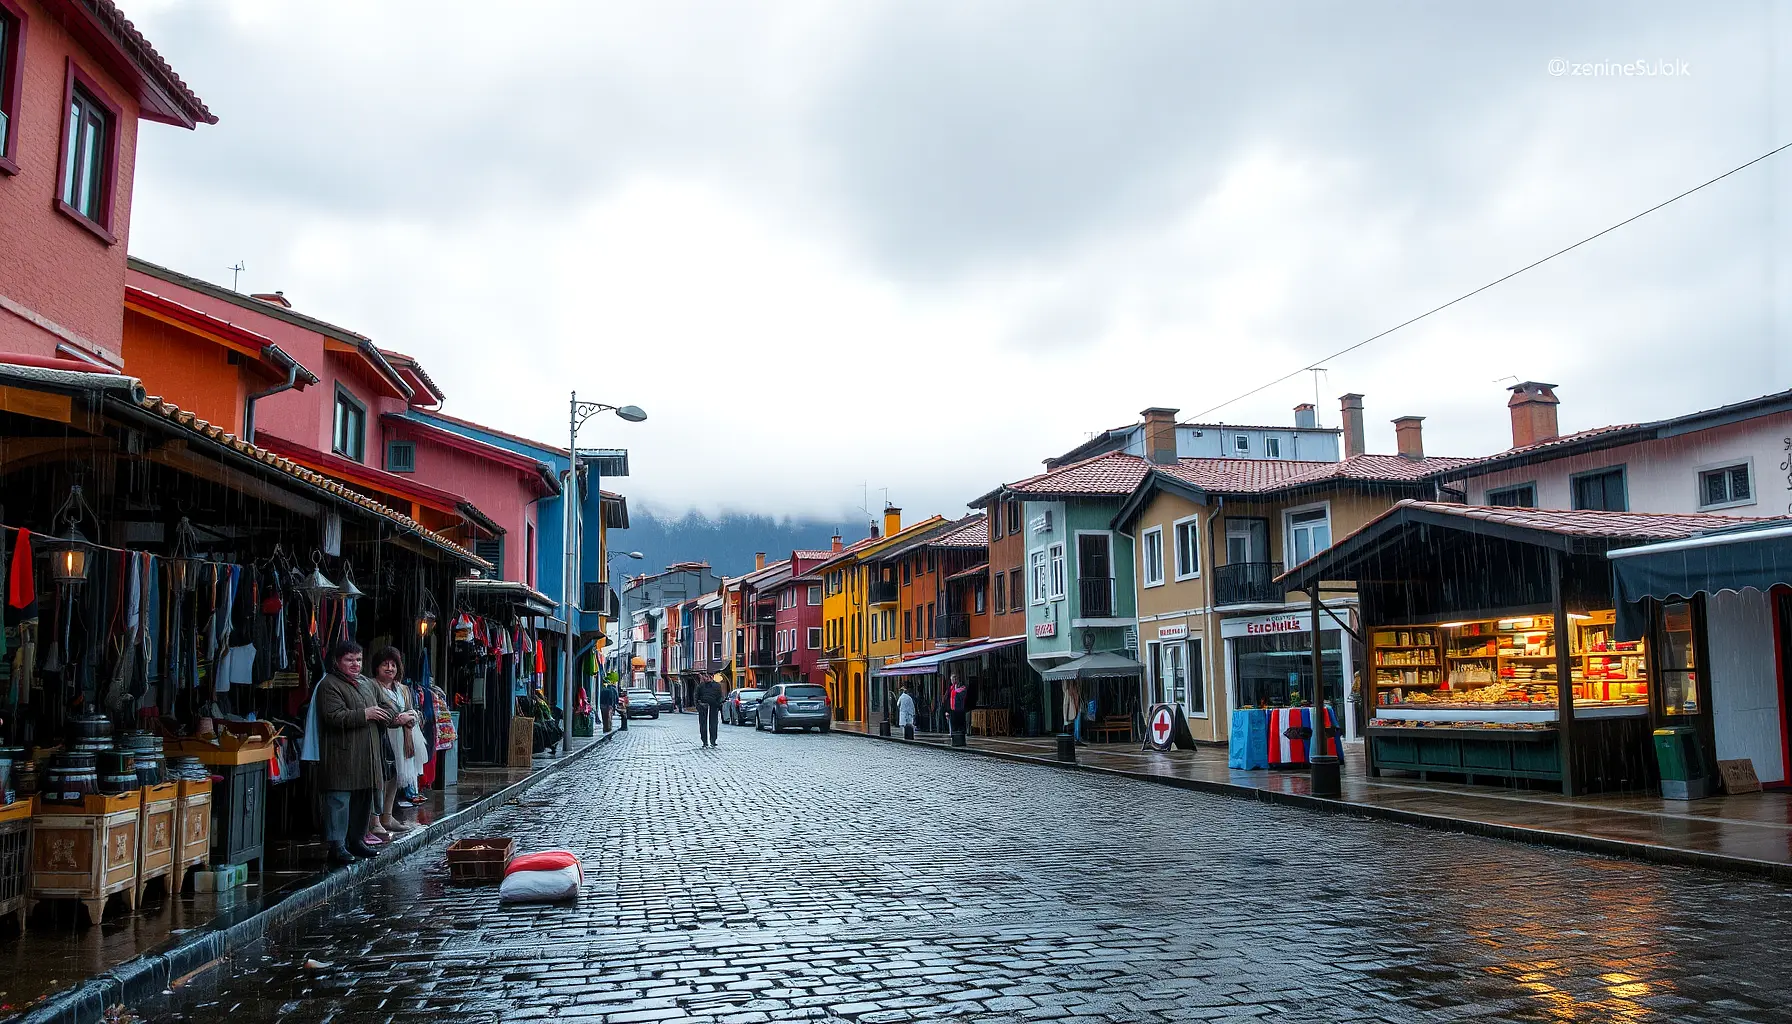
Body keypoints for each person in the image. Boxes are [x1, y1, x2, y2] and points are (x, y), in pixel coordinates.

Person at [314, 640, 397, 865]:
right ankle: (337, 845)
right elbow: (333, 716)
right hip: (342, 753)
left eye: (358, 659)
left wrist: (383, 714)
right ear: (338, 661)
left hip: (367, 753)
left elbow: (389, 706)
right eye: (349, 659)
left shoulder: (366, 684)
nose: (355, 664)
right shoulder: (329, 685)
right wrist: (365, 714)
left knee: (362, 798)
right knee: (339, 800)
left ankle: (356, 840)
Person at [369, 647, 426, 839]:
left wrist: (411, 716)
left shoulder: (402, 689)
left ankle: (387, 815)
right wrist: (396, 719)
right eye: (385, 664)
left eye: (393, 664)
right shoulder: (372, 686)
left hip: (404, 737)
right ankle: (374, 819)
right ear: (377, 667)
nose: (389, 668)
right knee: (382, 778)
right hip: (386, 736)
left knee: (395, 778)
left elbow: (412, 708)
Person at [695, 672, 724, 747]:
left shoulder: (717, 686)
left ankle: (713, 740)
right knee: (703, 725)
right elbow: (696, 697)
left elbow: (720, 696)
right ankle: (704, 741)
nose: (705, 678)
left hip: (713, 707)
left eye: (707, 676)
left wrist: (718, 705)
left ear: (711, 677)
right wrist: (699, 706)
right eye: (704, 676)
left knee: (713, 725)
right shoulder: (700, 686)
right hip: (703, 707)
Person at [946, 672, 969, 738]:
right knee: (953, 725)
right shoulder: (950, 688)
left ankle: (960, 737)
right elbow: (948, 699)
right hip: (952, 709)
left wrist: (956, 690)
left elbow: (962, 696)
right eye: (952, 680)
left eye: (954, 679)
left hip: (959, 709)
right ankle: (954, 736)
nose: (953, 681)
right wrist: (947, 711)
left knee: (960, 725)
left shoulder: (961, 687)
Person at [1063, 678, 1084, 746]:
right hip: (1072, 710)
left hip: (1076, 710)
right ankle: (1074, 738)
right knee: (1074, 724)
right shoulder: (1068, 692)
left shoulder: (1077, 691)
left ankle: (1077, 738)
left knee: (1077, 724)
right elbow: (1066, 704)